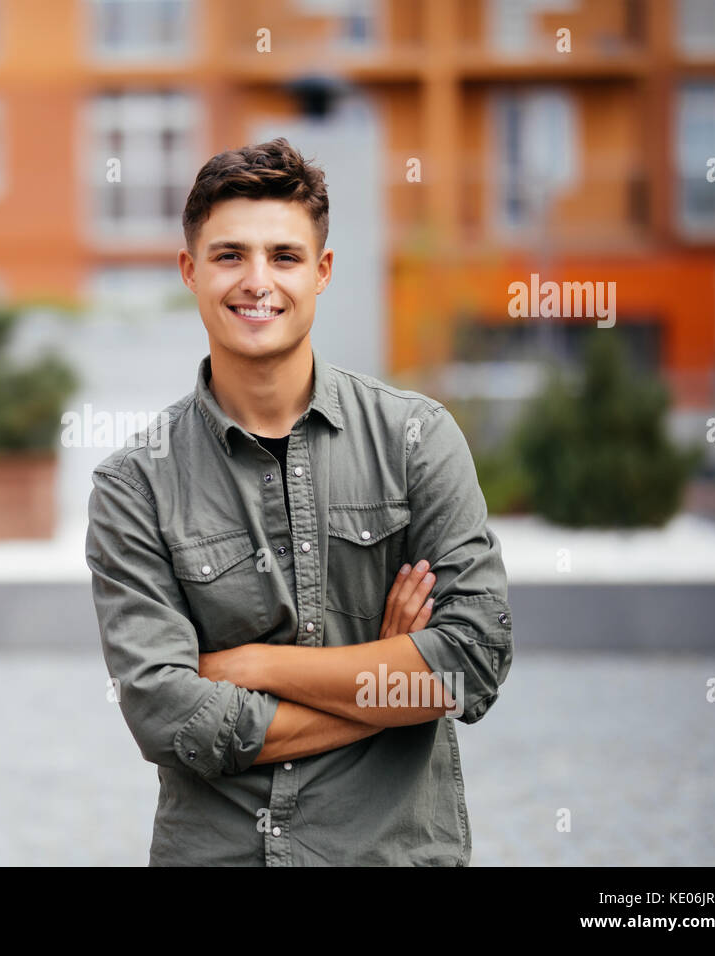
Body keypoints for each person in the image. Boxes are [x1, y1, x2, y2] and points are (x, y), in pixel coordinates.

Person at [85, 138, 514, 866]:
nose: (258, 282)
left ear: (322, 272)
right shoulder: (136, 484)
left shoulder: (416, 439)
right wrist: (385, 676)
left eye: (284, 256)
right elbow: (171, 717)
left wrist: (253, 666)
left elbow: (468, 664)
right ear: (190, 272)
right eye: (229, 256)